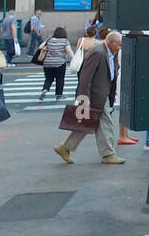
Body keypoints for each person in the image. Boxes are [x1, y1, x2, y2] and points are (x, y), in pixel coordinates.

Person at [53, 31, 126, 165]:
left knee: (88, 123)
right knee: (106, 124)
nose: (120, 48)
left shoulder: (112, 53)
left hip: (102, 94)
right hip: (94, 95)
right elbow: (85, 78)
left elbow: (111, 75)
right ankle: (108, 154)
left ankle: (65, 147)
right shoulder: (98, 52)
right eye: (119, 45)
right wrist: (84, 99)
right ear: (111, 43)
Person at [39, 26, 74, 101]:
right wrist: (74, 58)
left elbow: (40, 47)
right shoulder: (64, 41)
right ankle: (59, 95)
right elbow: (69, 51)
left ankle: (45, 89)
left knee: (48, 78)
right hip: (60, 63)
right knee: (60, 79)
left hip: (47, 63)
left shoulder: (49, 40)